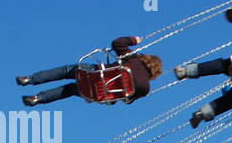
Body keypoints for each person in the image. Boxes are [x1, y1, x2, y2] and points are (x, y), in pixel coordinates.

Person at [16, 37, 162, 106]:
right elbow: (127, 100)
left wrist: (134, 40)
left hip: (94, 74)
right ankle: (37, 99)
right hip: (98, 94)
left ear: (146, 58)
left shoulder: (134, 59)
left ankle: (30, 79)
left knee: (68, 71)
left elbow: (117, 43)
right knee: (70, 90)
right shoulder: (145, 88)